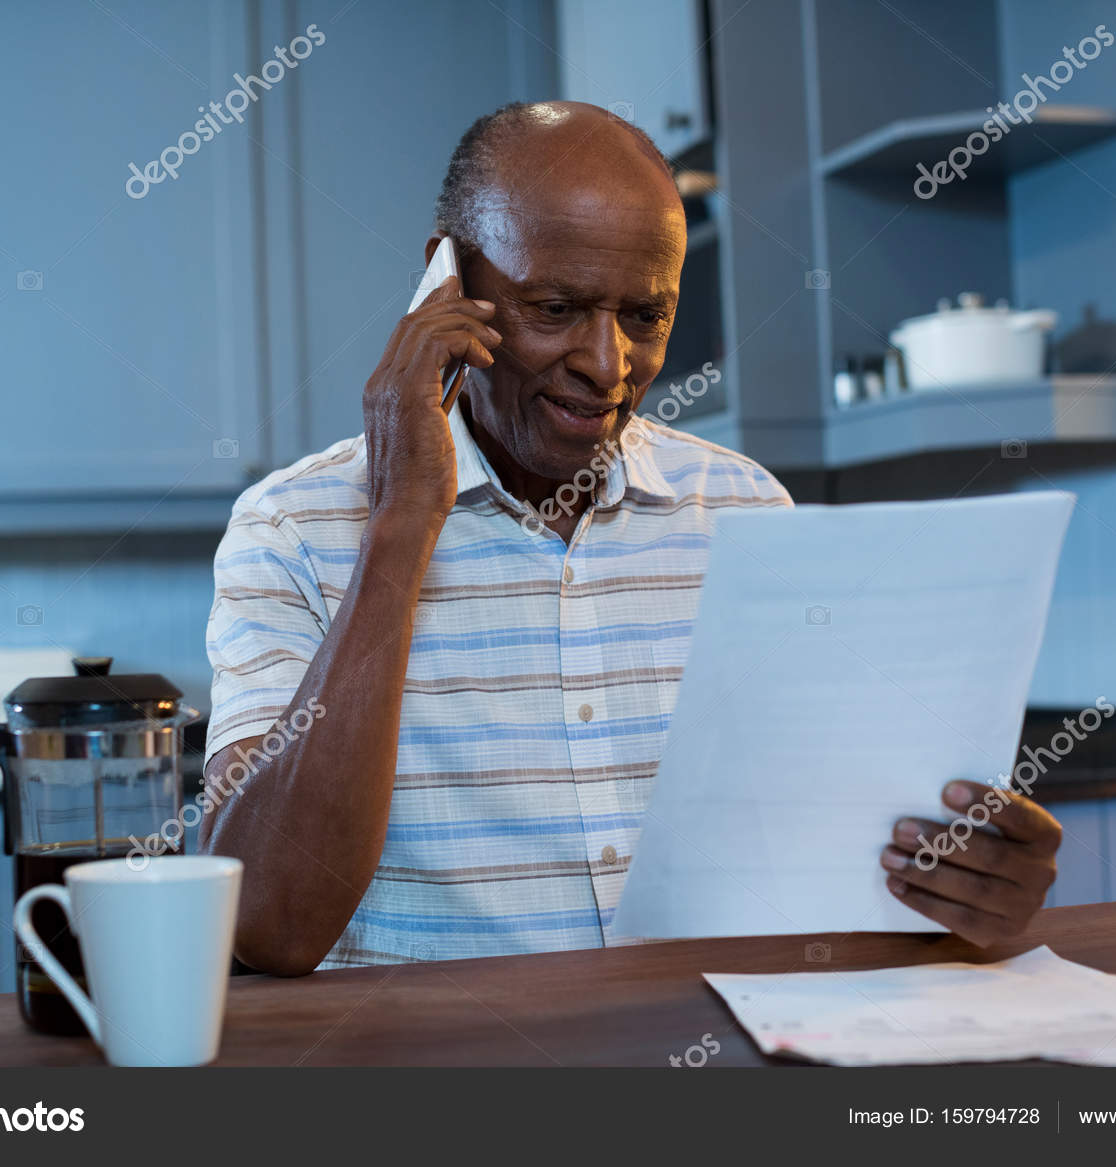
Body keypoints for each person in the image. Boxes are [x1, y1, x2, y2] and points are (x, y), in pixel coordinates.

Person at [202, 101, 1062, 975]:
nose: (607, 366)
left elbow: (827, 873)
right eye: (557, 306)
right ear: (444, 285)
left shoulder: (745, 513)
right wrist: (402, 523)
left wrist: (964, 892)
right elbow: (268, 924)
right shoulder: (292, 530)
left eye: (645, 317)